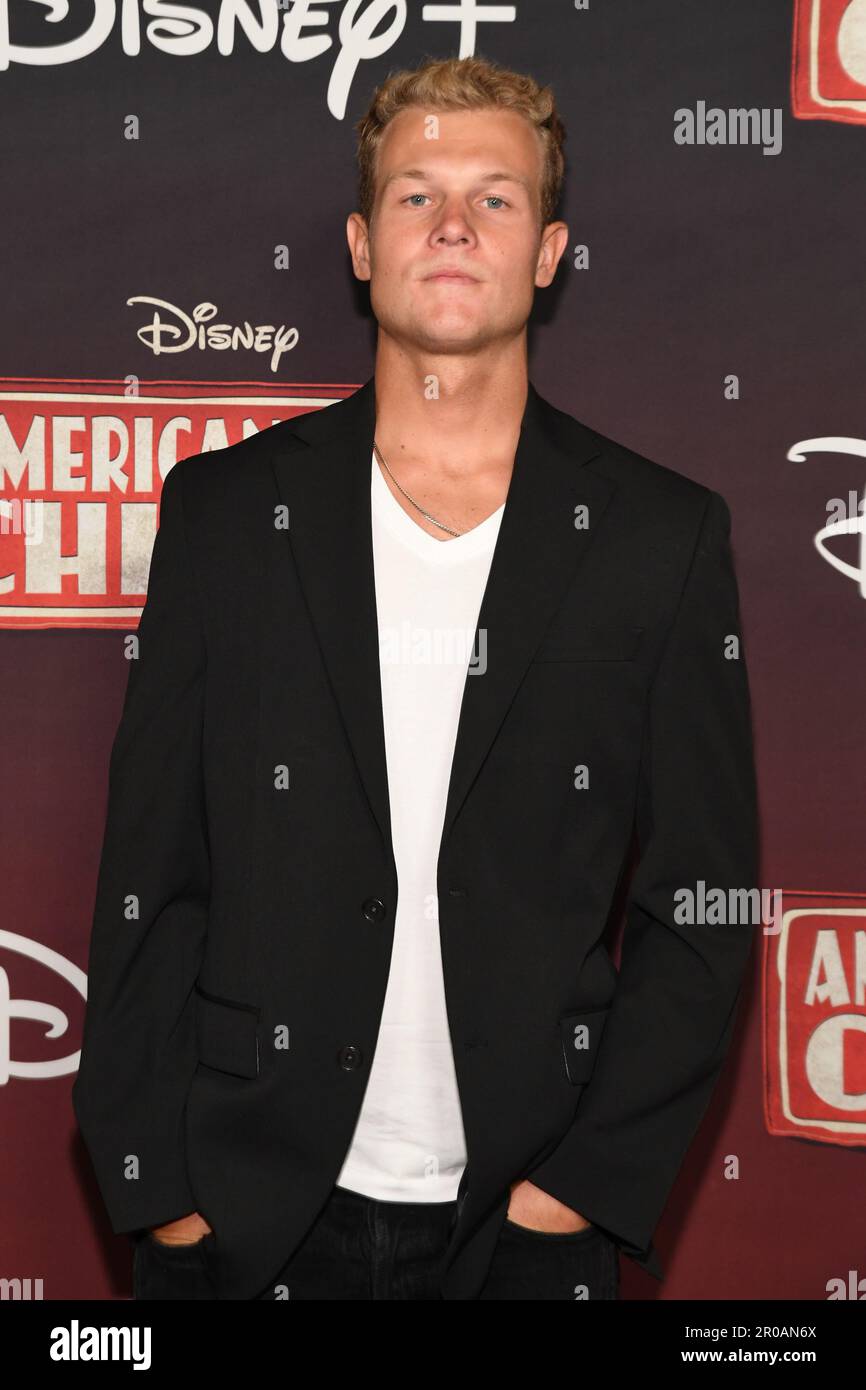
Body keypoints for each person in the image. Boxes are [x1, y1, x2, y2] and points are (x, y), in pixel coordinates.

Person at [72, 54, 759, 1301]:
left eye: (494, 198)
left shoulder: (660, 538)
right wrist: (160, 1196)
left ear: (547, 252)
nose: (452, 224)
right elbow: (149, 872)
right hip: (247, 1215)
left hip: (524, 1224)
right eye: (414, 195)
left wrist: (580, 1194)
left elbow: (703, 905)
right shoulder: (231, 517)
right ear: (359, 244)